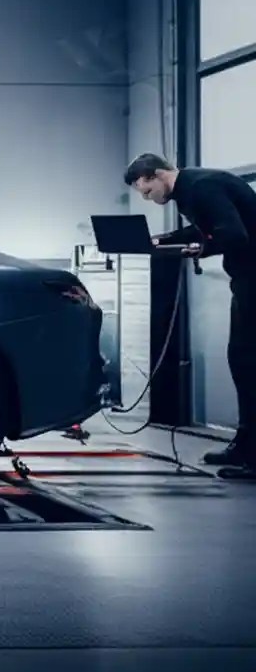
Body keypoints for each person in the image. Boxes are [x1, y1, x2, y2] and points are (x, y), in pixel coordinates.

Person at [124, 153, 256, 478]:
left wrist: (194, 250)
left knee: (247, 359)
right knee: (241, 359)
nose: (149, 199)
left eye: (147, 192)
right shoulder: (192, 188)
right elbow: (205, 231)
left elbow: (233, 235)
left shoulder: (201, 188)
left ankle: (253, 456)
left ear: (158, 175)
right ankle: (246, 444)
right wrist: (157, 242)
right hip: (247, 277)